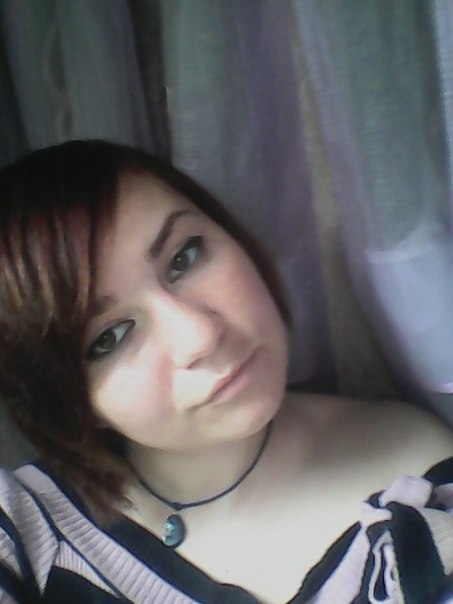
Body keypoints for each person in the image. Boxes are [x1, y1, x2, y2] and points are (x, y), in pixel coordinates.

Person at [0, 140, 452, 604]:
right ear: (69, 401)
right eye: (109, 338)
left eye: (184, 257)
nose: (201, 336)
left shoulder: (420, 493)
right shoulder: (25, 532)